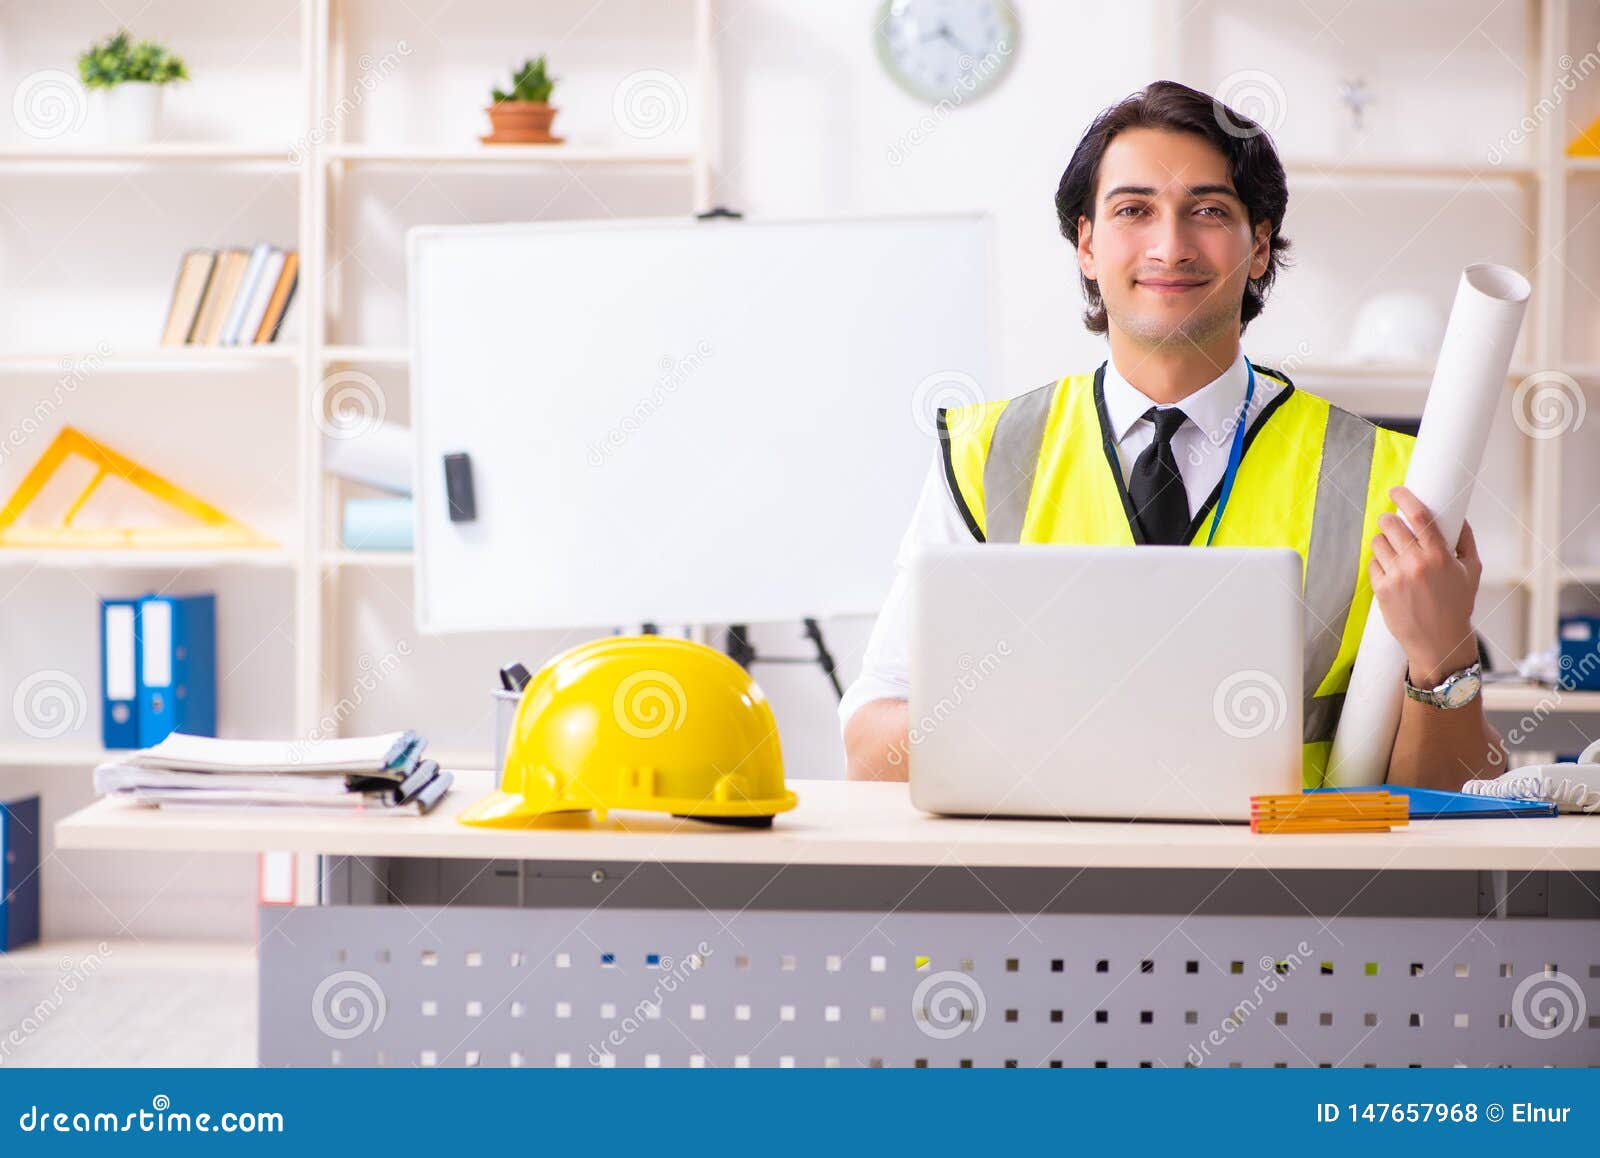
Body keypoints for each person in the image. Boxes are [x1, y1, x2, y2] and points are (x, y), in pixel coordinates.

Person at [840, 80, 1503, 791]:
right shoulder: (984, 455)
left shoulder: (1389, 477)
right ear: (1087, 245)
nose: (1170, 244)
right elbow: (869, 746)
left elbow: (1447, 798)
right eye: (1134, 210)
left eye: (1209, 210)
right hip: (1042, 886)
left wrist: (1445, 657)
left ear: (1258, 247)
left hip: (1289, 892)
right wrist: (1050, 720)